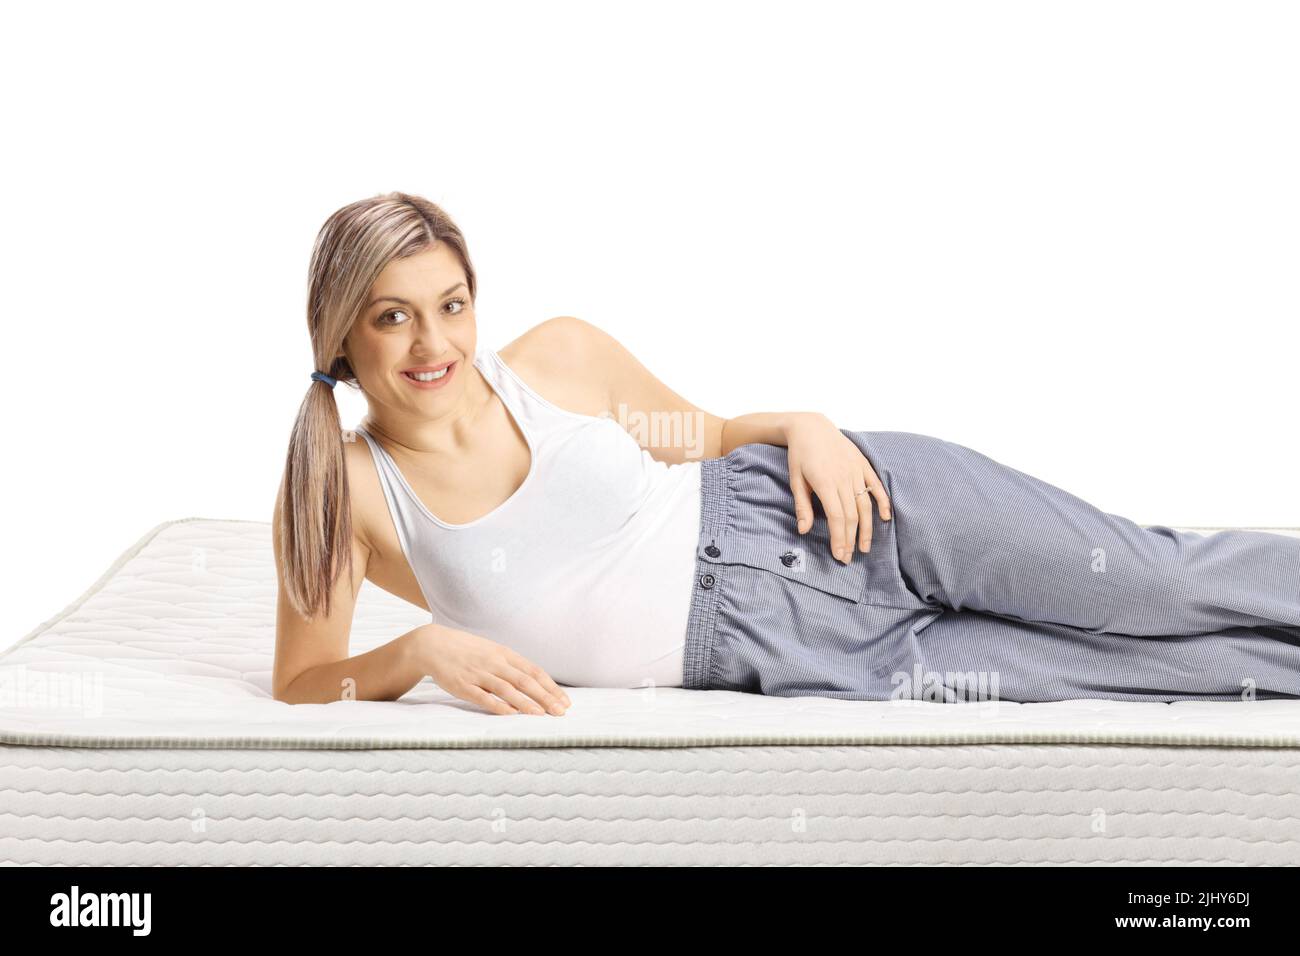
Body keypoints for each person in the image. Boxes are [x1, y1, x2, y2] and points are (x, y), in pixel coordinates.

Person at [272, 191, 1300, 713]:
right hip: (784, 654)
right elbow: (303, 678)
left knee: (1154, 580)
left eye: (450, 305)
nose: (434, 342)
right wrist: (415, 652)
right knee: (1109, 672)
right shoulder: (349, 488)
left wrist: (806, 421)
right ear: (344, 337)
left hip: (846, 510)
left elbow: (708, 437)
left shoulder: (559, 359)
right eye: (393, 318)